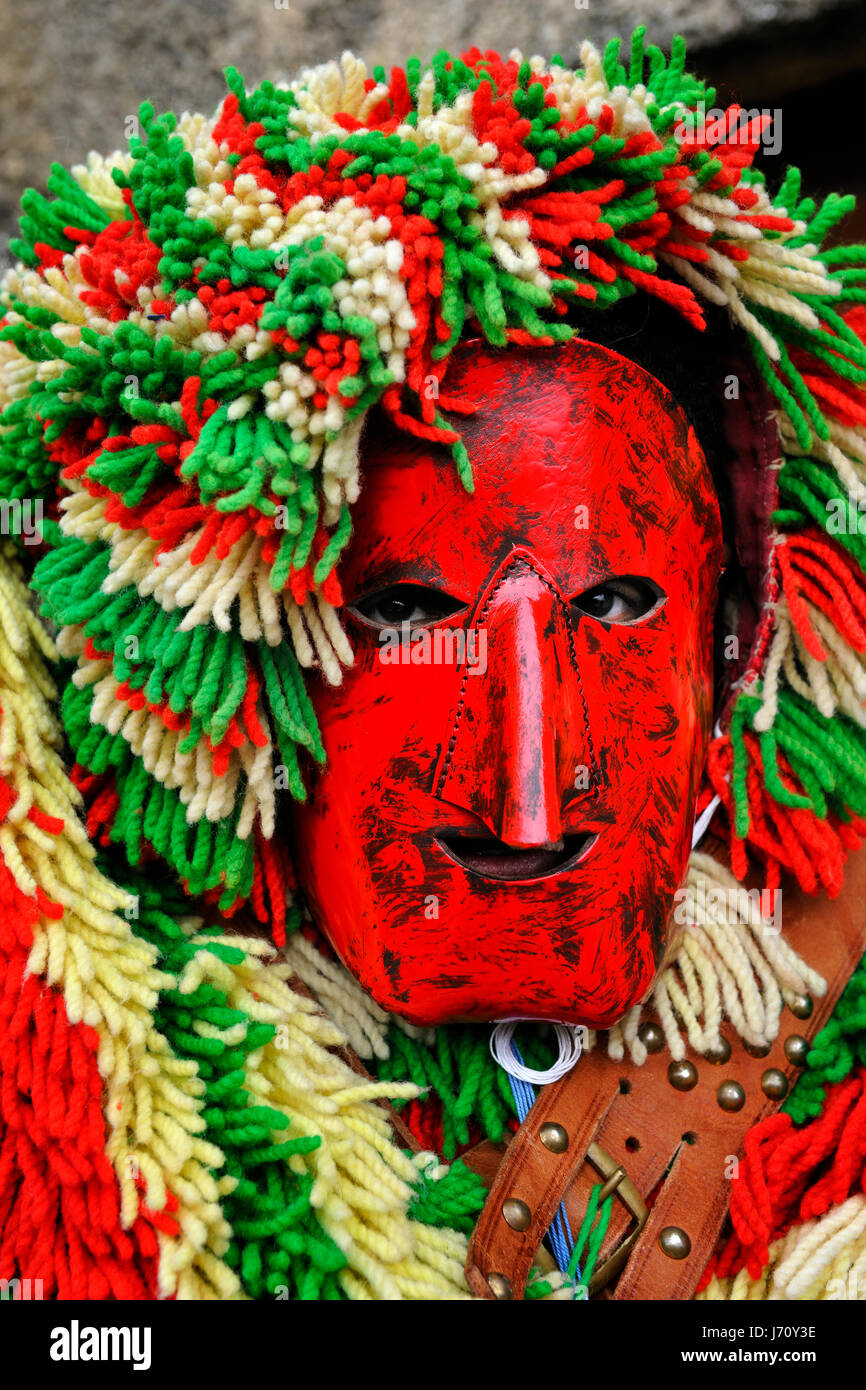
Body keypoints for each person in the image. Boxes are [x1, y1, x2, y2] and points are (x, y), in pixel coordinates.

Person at [2, 30, 866, 1302]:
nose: (528, 795)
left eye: (618, 604)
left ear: (733, 643)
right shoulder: (89, 1063)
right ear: (228, 663)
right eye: (407, 613)